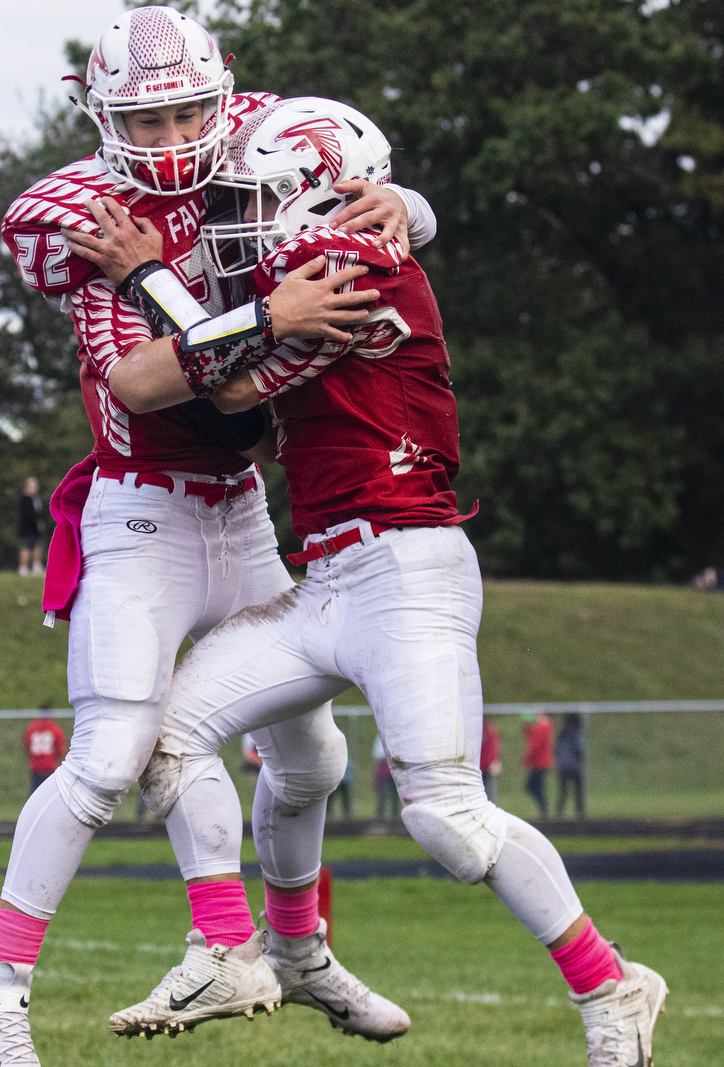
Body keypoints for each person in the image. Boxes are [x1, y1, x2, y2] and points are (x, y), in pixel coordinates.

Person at [115, 98, 666, 1066]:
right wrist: (408, 202)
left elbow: (229, 384)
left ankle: (611, 982)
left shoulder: (355, 259)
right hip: (324, 574)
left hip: (405, 566)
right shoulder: (346, 245)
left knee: (447, 820)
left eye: (259, 195)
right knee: (160, 734)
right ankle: (259, 952)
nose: (244, 216)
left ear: (323, 189)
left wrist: (147, 277)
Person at [0, 10, 434, 1063]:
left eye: (185, 109)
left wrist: (400, 202)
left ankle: (295, 949)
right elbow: (136, 377)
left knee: (312, 753)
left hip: (242, 505)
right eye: (144, 116)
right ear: (99, 118)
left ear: (223, 94)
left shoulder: (267, 133)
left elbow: (396, 203)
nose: (172, 138)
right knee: (109, 753)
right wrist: (272, 315)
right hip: (141, 510)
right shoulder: (77, 210)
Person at [22, 708, 67, 794]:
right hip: (49, 766)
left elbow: (26, 746)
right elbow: (60, 750)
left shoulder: (31, 728)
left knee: (35, 794)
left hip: (35, 766)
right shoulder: (55, 729)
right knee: (49, 794)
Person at [556, 712, 588, 819]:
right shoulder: (577, 734)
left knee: (563, 791)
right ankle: (580, 814)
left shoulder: (562, 734)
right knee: (578, 791)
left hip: (563, 766)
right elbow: (580, 749)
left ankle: (559, 814)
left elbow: (556, 750)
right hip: (575, 766)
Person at [523, 712, 554, 818]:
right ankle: (543, 809)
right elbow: (532, 735)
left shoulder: (543, 726)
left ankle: (544, 809)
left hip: (540, 763)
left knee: (533, 787)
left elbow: (535, 745)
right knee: (537, 787)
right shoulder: (542, 727)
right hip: (539, 762)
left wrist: (526, 759)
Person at [17, 477, 45, 577]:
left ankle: (36, 566)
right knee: (27, 546)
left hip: (35, 527)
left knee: (38, 545)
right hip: (28, 527)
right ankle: (23, 568)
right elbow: (28, 515)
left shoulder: (35, 498)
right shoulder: (25, 498)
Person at [372, 735, 400, 820]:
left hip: (396, 769)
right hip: (384, 770)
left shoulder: (397, 736)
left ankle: (394, 816)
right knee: (382, 794)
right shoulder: (380, 737)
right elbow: (377, 754)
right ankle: (380, 816)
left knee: (395, 794)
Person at [326, 744, 354, 819]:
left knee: (345, 798)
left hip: (344, 781)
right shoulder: (332, 758)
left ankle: (346, 813)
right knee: (330, 797)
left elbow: (350, 768)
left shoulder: (346, 758)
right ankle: (328, 812)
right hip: (335, 780)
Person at [481, 716, 503, 803]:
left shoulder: (490, 732)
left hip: (488, 766)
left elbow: (495, 748)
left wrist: (495, 760)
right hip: (481, 766)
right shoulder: (484, 730)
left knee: (490, 791)